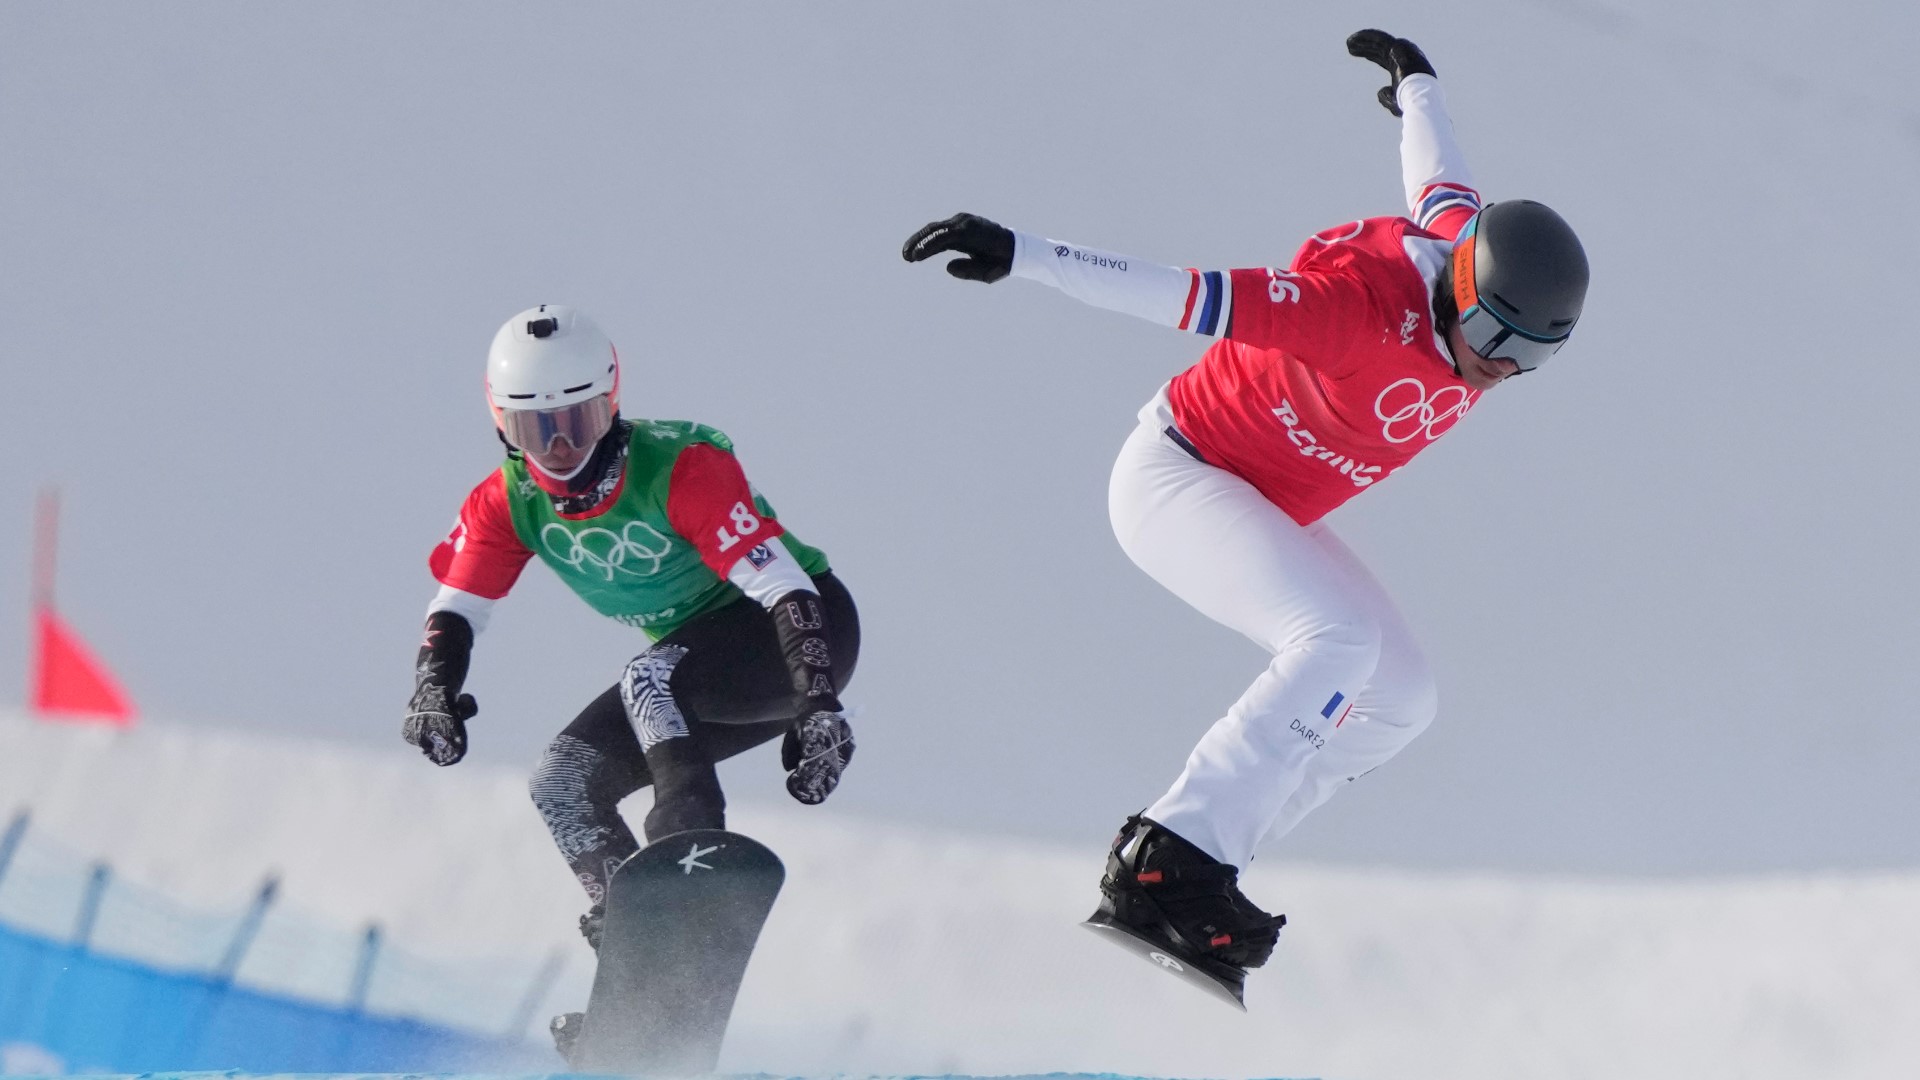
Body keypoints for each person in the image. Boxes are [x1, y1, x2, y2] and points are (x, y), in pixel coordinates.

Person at [902, 31, 1589, 983]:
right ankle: (1168, 860)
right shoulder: (1349, 306)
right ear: (1461, 283)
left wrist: (1419, 88)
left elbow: (1441, 178)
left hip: (1262, 502)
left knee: (1400, 699)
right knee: (1337, 643)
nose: (1496, 366)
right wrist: (1022, 254)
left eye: (1531, 358)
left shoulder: (1467, 250)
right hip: (1176, 478)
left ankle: (1212, 866)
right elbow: (1182, 295)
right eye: (1489, 333)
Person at [402, 304, 858, 953]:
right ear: (502, 424)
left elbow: (784, 587)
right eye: (538, 431)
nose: (562, 451)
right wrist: (432, 688)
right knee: (561, 781)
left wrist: (819, 705)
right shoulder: (507, 503)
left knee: (650, 678)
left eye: (579, 423)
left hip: (802, 635)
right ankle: (642, 948)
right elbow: (458, 607)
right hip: (689, 678)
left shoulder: (682, 467)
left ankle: (687, 870)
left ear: (611, 403)